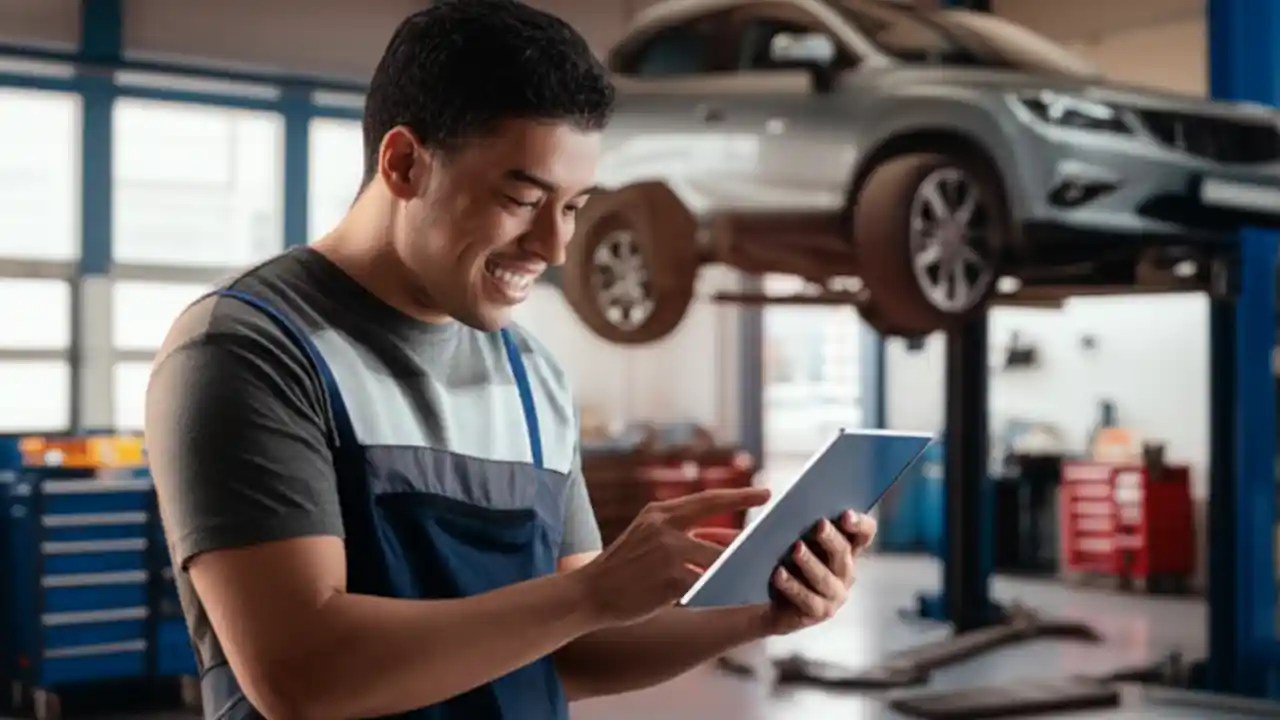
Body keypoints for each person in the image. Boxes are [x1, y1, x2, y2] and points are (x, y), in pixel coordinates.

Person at [144, 1, 878, 718]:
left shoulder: (531, 377)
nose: (554, 249)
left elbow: (571, 651)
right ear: (404, 164)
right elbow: (303, 674)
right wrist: (588, 594)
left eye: (573, 207)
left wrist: (759, 614)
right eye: (522, 198)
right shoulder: (249, 351)